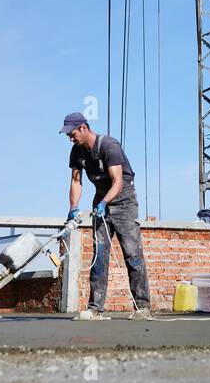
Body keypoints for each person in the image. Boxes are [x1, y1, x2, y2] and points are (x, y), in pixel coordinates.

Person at [60, 112, 153, 320]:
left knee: (132, 253)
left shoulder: (109, 145)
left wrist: (104, 203)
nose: (70, 138)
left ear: (83, 128)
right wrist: (73, 207)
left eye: (72, 133)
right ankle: (95, 309)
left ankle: (143, 308)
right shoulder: (77, 152)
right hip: (101, 201)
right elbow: (76, 181)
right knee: (99, 255)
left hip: (124, 202)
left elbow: (118, 181)